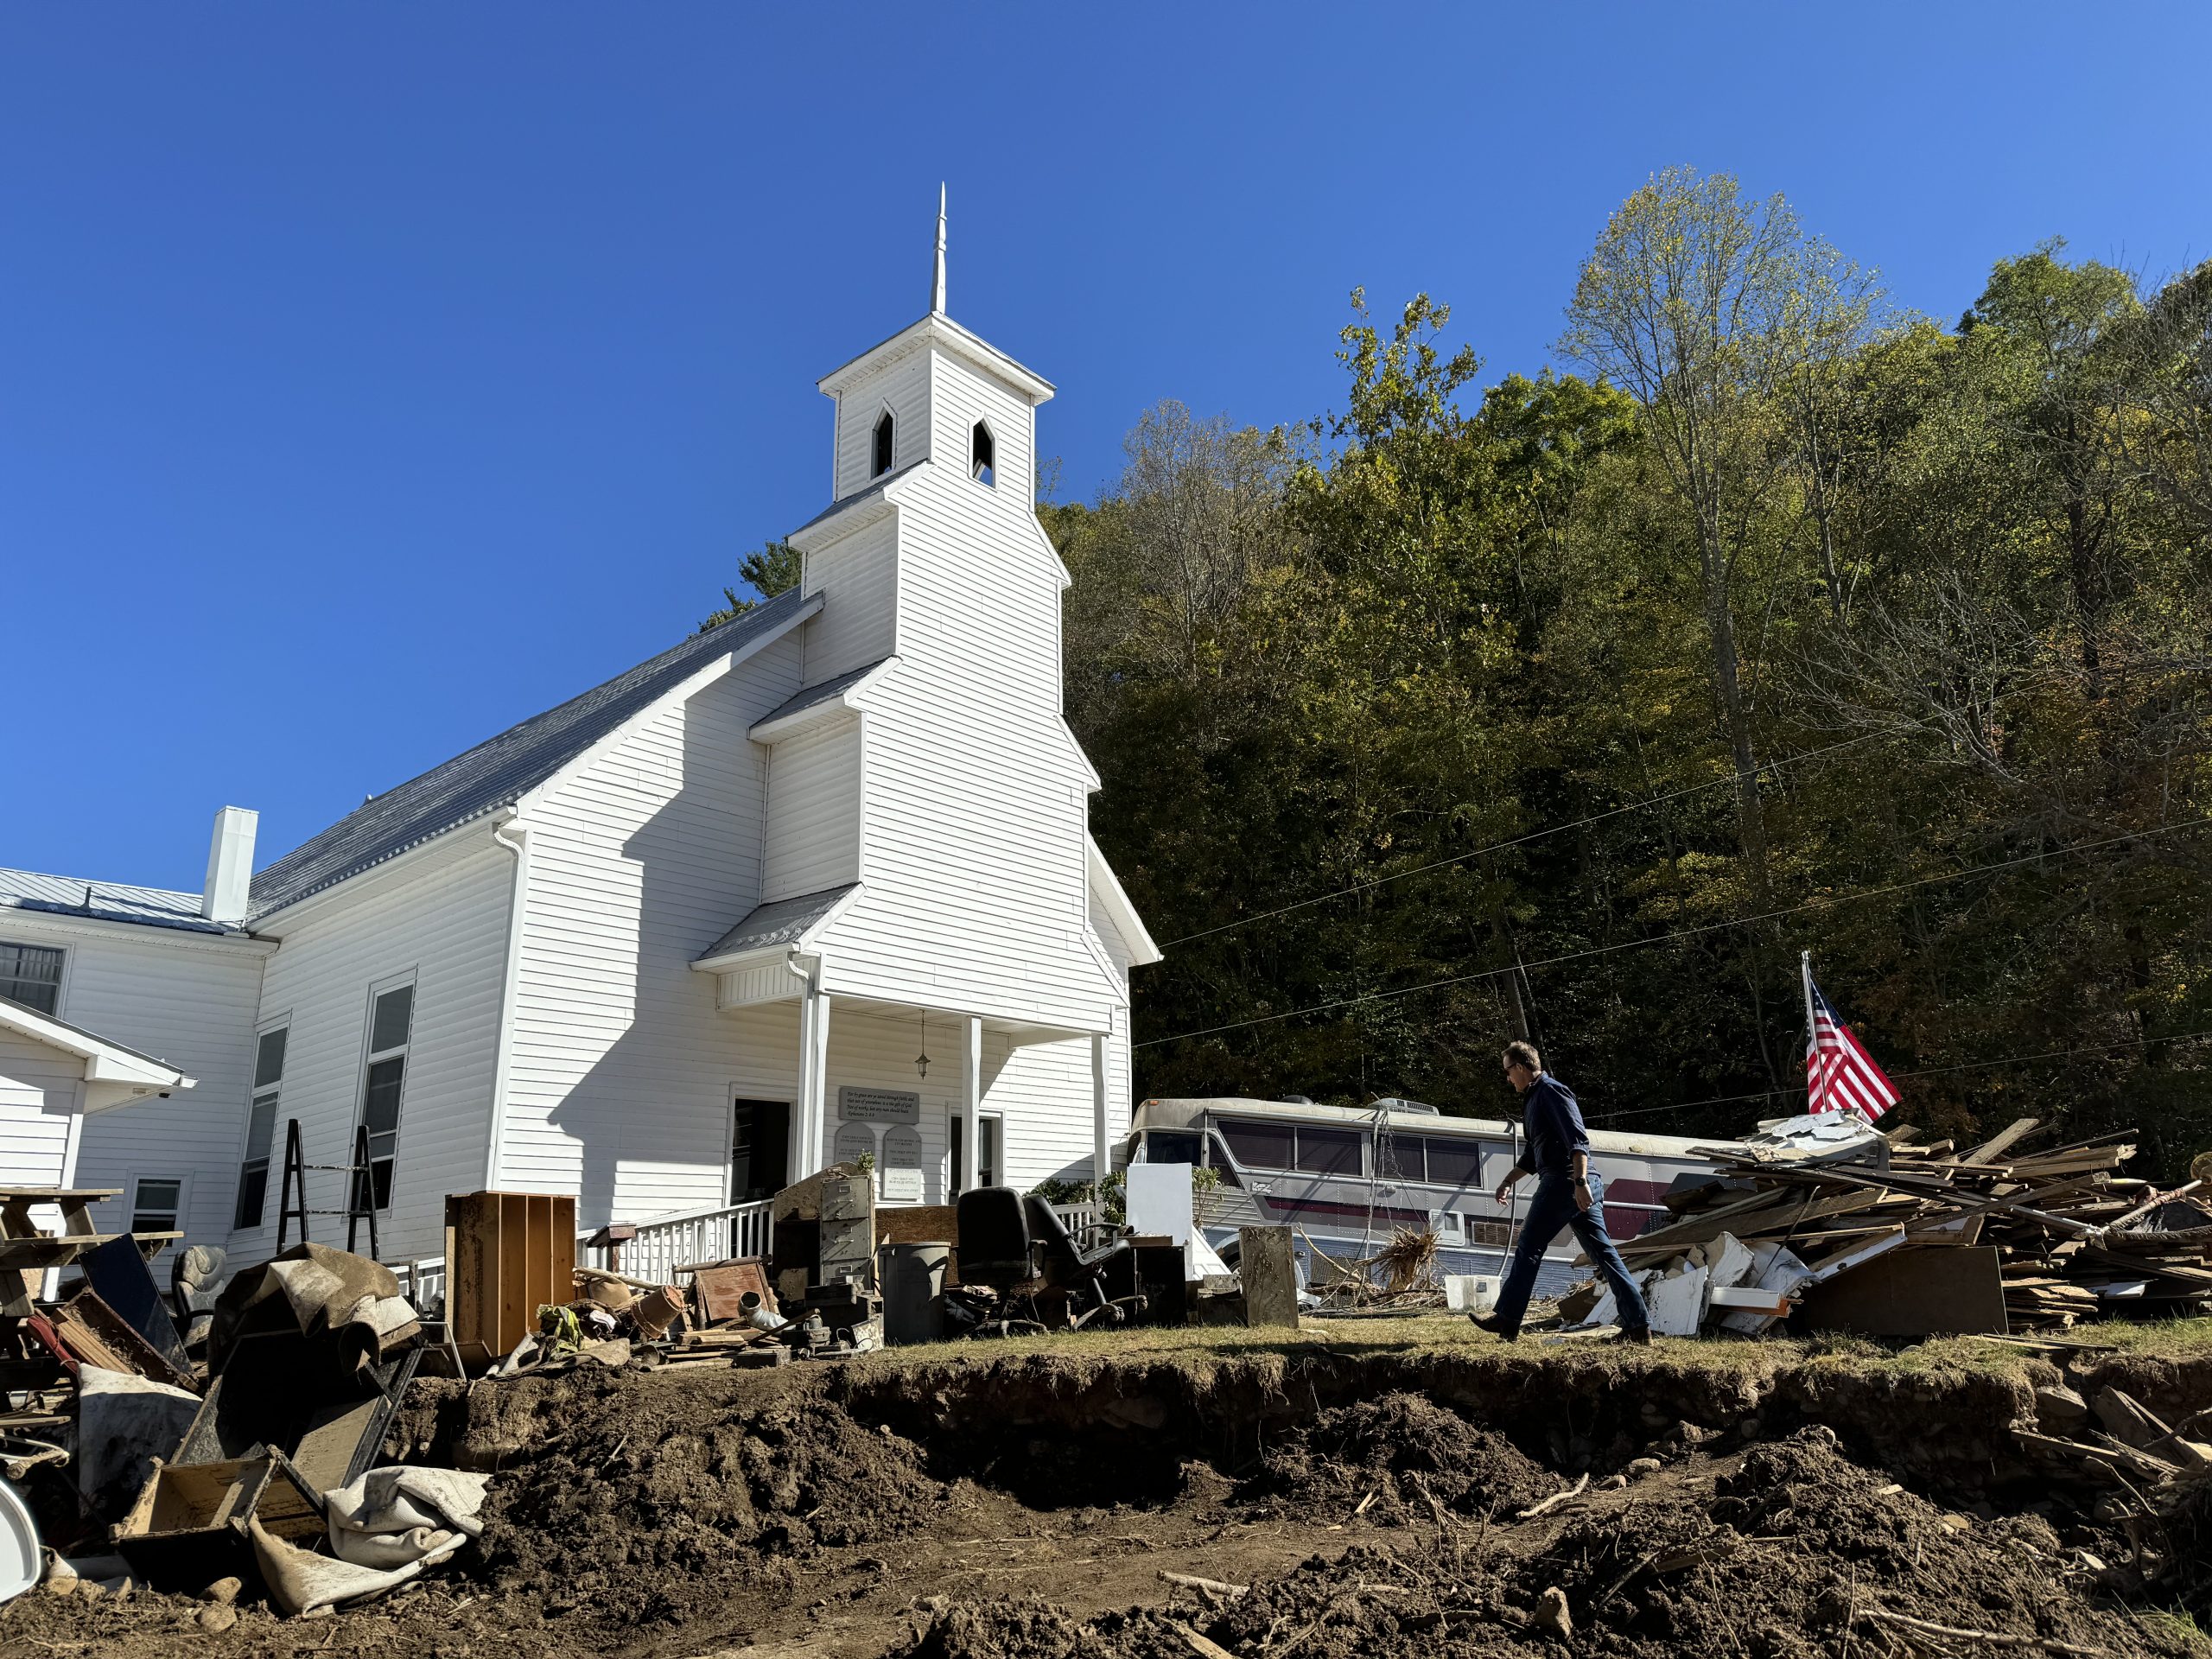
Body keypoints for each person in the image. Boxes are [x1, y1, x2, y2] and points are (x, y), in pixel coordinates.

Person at [1469, 1041, 1651, 1345]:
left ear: (1522, 1067)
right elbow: (1533, 1153)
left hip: (1566, 1181)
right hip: (1572, 1181)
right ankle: (1638, 1327)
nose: (1507, 1078)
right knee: (1604, 1254)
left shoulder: (1552, 1091)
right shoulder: (1532, 1099)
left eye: (1508, 1071)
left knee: (1529, 1246)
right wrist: (1508, 1180)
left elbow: (1577, 1139)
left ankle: (1508, 1320)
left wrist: (1579, 1183)